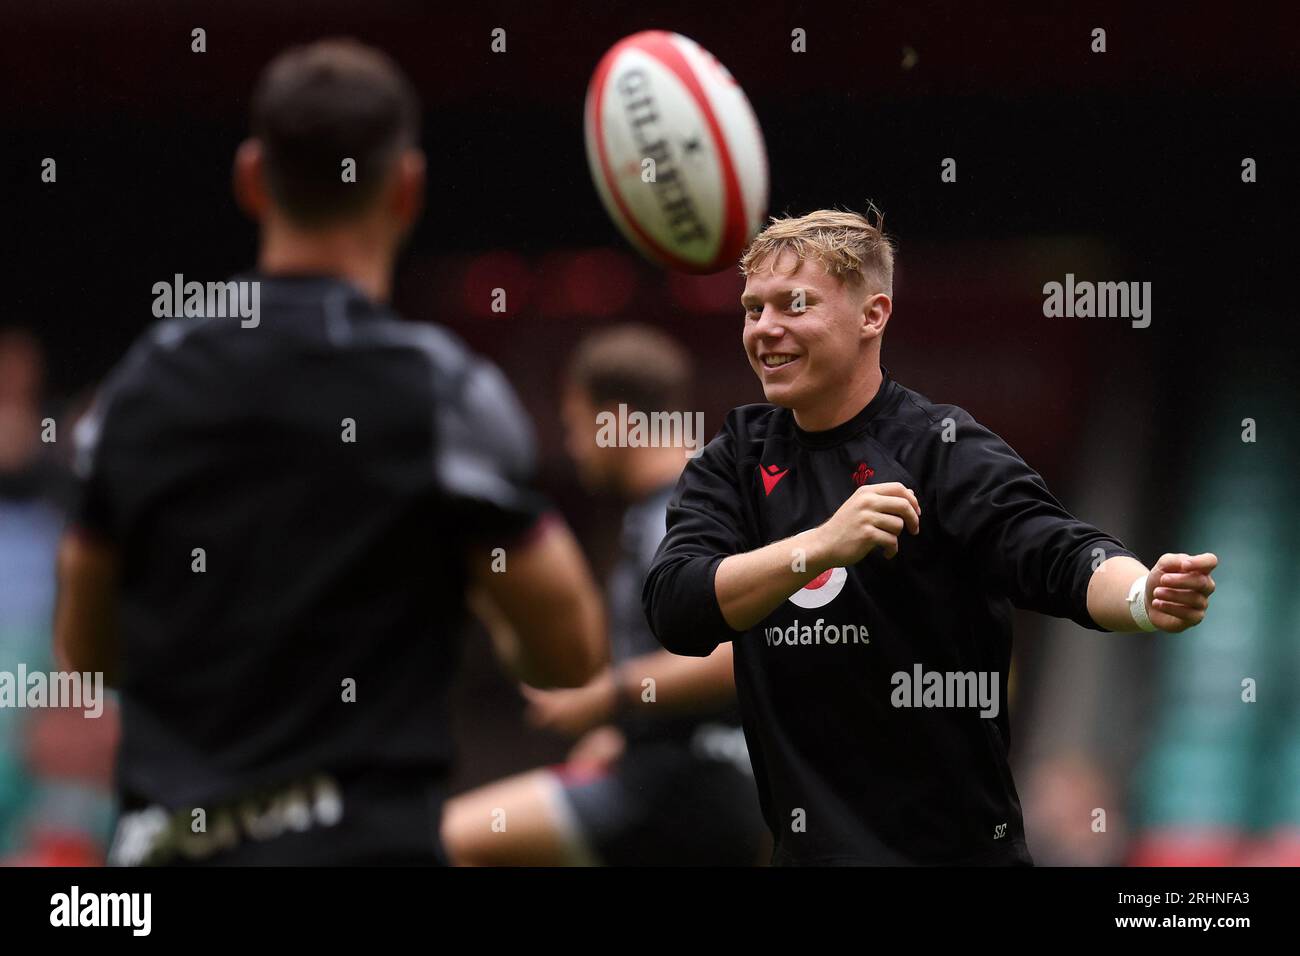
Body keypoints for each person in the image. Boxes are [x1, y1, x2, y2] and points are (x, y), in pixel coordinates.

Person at [52, 39, 604, 866]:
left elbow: (88, 652)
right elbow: (567, 654)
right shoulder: (442, 394)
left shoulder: (141, 389)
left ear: (250, 177)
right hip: (364, 844)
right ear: (408, 187)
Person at [642, 208, 1219, 866]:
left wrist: (1144, 594)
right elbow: (676, 608)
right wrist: (820, 547)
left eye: (794, 304)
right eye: (753, 308)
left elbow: (1059, 553)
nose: (766, 329)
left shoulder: (942, 447)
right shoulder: (736, 458)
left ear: (873, 315)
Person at [442, 325, 766, 865]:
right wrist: (626, 733)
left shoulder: (680, 513)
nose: (571, 448)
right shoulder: (697, 497)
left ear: (612, 421)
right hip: (693, 781)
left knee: (452, 841)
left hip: (687, 790)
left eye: (573, 426)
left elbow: (738, 654)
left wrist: (609, 696)